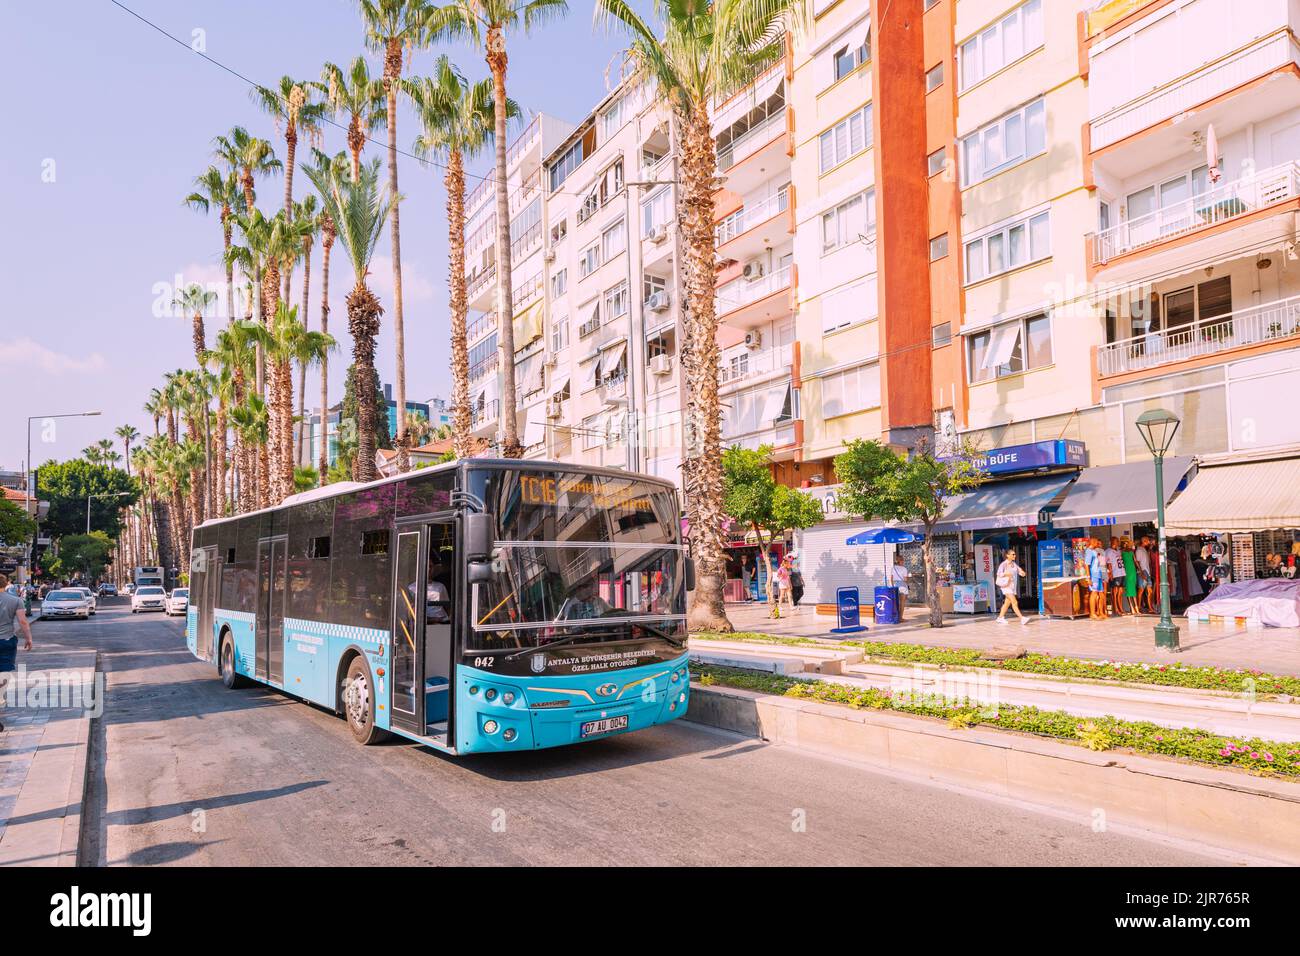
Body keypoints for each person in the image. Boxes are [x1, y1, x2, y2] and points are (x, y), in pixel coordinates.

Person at [0, 574, 33, 733]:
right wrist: (28, 638)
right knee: (3, 675)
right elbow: (23, 621)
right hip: (6, 641)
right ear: (6, 584)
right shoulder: (15, 600)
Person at [995, 549, 1029, 625]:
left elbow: (1019, 571)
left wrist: (1022, 573)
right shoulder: (1003, 564)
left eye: (1015, 554)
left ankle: (1000, 618)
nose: (1014, 556)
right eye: (1013, 554)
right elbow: (999, 574)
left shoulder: (1014, 564)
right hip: (1006, 586)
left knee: (1007, 603)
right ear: (1008, 555)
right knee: (1014, 602)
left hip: (1012, 586)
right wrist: (1006, 574)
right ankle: (1022, 618)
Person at [1084, 538, 1108, 620]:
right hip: (1093, 575)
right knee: (1094, 593)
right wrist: (1088, 578)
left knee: (1101, 594)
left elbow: (1101, 563)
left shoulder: (1096, 551)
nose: (1098, 544)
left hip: (1100, 574)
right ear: (1093, 542)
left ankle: (1101, 612)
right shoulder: (1089, 551)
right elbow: (1086, 565)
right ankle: (1092, 613)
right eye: (1097, 543)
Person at [1104, 537, 1124, 616]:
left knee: (1120, 592)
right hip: (1115, 574)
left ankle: (1120, 608)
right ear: (1112, 542)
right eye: (1116, 541)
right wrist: (1110, 574)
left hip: (1121, 572)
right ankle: (1115, 609)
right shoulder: (1108, 551)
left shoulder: (1118, 550)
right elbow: (1108, 563)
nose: (1118, 542)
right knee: (1114, 592)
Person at [1134, 537, 1153, 613]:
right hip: (1142, 571)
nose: (1149, 542)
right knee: (1141, 590)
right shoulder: (1139, 550)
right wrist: (1141, 573)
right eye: (1148, 540)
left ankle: (1150, 607)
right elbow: (1137, 562)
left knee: (1150, 591)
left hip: (1147, 571)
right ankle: (1138, 607)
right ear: (1144, 541)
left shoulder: (1144, 549)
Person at [890, 553, 910, 621]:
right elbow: (905, 579)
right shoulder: (904, 569)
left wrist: (893, 586)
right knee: (902, 603)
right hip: (902, 586)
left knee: (896, 602)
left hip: (895, 585)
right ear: (900, 561)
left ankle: (895, 617)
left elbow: (891, 578)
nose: (903, 562)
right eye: (903, 560)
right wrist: (908, 580)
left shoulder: (893, 568)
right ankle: (900, 618)